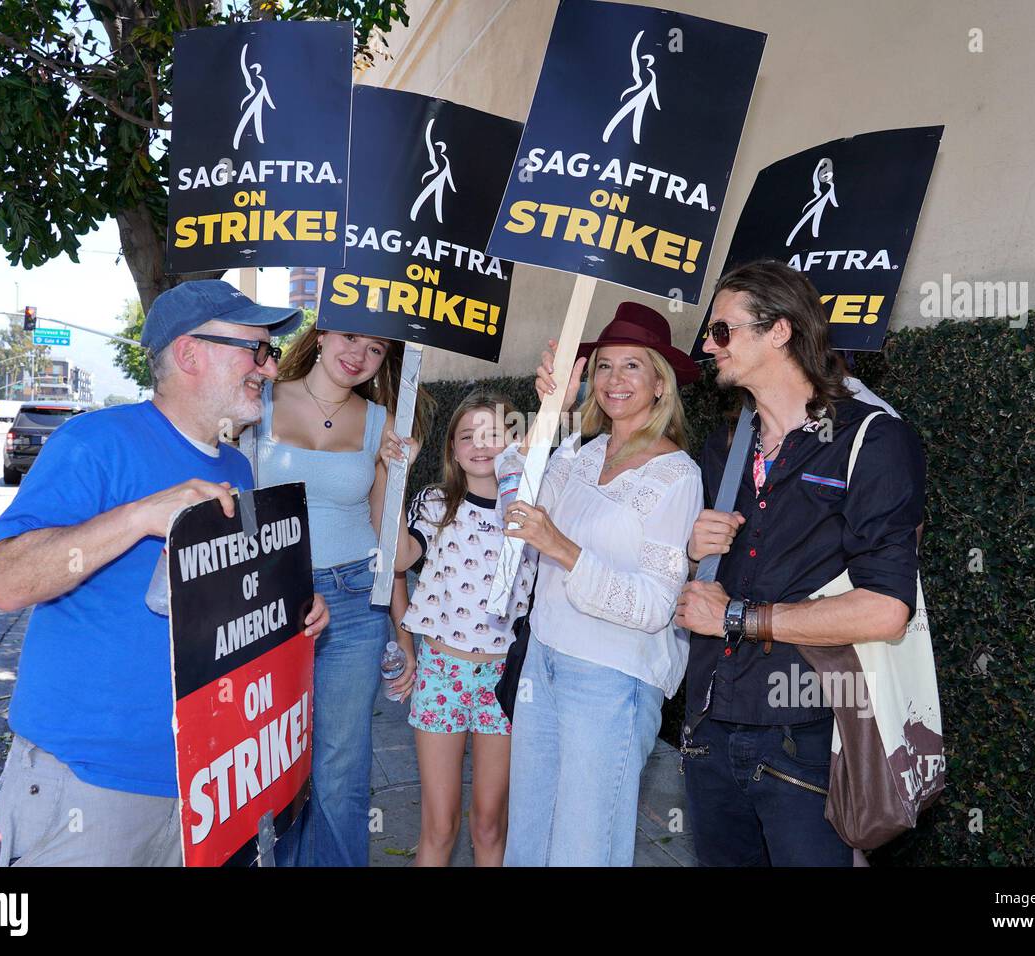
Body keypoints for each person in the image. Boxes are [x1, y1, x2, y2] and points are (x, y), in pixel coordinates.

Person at [0, 279, 329, 866]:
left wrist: (289, 614)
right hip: (94, 788)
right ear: (190, 353)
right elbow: (8, 582)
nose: (269, 369)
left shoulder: (237, 469)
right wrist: (140, 515)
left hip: (209, 786)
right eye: (257, 350)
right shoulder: (93, 443)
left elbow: (220, 612)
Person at [673, 259, 926, 867]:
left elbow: (887, 609)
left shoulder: (871, 440)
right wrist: (692, 553)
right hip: (709, 728)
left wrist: (738, 617)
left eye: (724, 331)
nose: (708, 346)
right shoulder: (725, 447)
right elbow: (697, 594)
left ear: (780, 331)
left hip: (806, 737)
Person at [499, 302, 704, 867]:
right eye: (604, 366)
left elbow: (655, 605)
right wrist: (552, 409)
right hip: (543, 659)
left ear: (661, 384)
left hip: (612, 680)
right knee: (529, 838)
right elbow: (517, 501)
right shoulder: (583, 453)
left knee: (583, 850)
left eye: (632, 366)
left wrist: (563, 549)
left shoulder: (677, 474)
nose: (614, 380)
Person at [250, 325, 430, 867]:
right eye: (350, 337)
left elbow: (394, 555)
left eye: (376, 348)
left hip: (354, 602)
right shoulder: (255, 401)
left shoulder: (381, 423)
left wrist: (396, 474)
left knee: (341, 767)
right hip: (268, 600)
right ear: (322, 335)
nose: (360, 354)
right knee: (271, 761)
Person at [383, 389, 533, 866]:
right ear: (452, 449)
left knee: (490, 821)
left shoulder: (534, 513)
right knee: (439, 823)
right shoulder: (436, 504)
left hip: (505, 684)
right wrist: (392, 477)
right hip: (442, 675)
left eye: (493, 434)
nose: (480, 444)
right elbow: (400, 558)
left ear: (516, 441)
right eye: (466, 435)